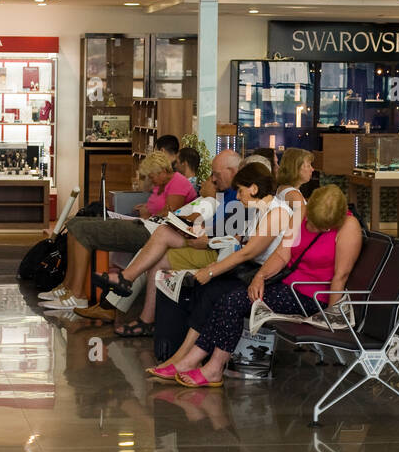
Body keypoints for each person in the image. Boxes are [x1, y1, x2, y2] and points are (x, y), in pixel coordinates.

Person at [149, 185, 362, 388]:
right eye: (313, 223)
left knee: (233, 301)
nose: (315, 228)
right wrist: (259, 276)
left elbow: (340, 277)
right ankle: (193, 361)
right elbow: (282, 253)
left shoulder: (349, 227)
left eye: (322, 227)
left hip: (311, 298)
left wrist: (331, 322)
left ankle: (212, 368)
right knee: (228, 297)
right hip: (287, 287)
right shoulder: (302, 215)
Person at [100, 165, 293, 336]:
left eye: (241, 191)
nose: (237, 196)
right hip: (244, 265)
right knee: (163, 242)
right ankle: (133, 293)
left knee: (207, 291)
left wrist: (210, 270)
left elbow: (247, 252)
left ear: (254, 188)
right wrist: (208, 238)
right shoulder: (260, 210)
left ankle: (183, 351)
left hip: (258, 273)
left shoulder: (276, 213)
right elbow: (240, 241)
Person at [89, 150, 243, 333]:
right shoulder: (225, 192)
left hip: (215, 248)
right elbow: (210, 221)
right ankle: (142, 317)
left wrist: (207, 210)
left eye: (216, 174)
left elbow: (233, 235)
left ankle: (122, 288)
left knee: (157, 241)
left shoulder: (238, 196)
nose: (213, 179)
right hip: (204, 239)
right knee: (158, 250)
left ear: (232, 171)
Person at [42, 150, 194, 311]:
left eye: (152, 176)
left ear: (163, 171)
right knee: (74, 224)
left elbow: (169, 214)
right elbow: (159, 210)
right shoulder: (161, 186)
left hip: (151, 231)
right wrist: (146, 210)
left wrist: (147, 213)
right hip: (145, 225)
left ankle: (77, 295)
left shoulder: (179, 183)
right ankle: (68, 286)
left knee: (81, 230)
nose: (151, 180)